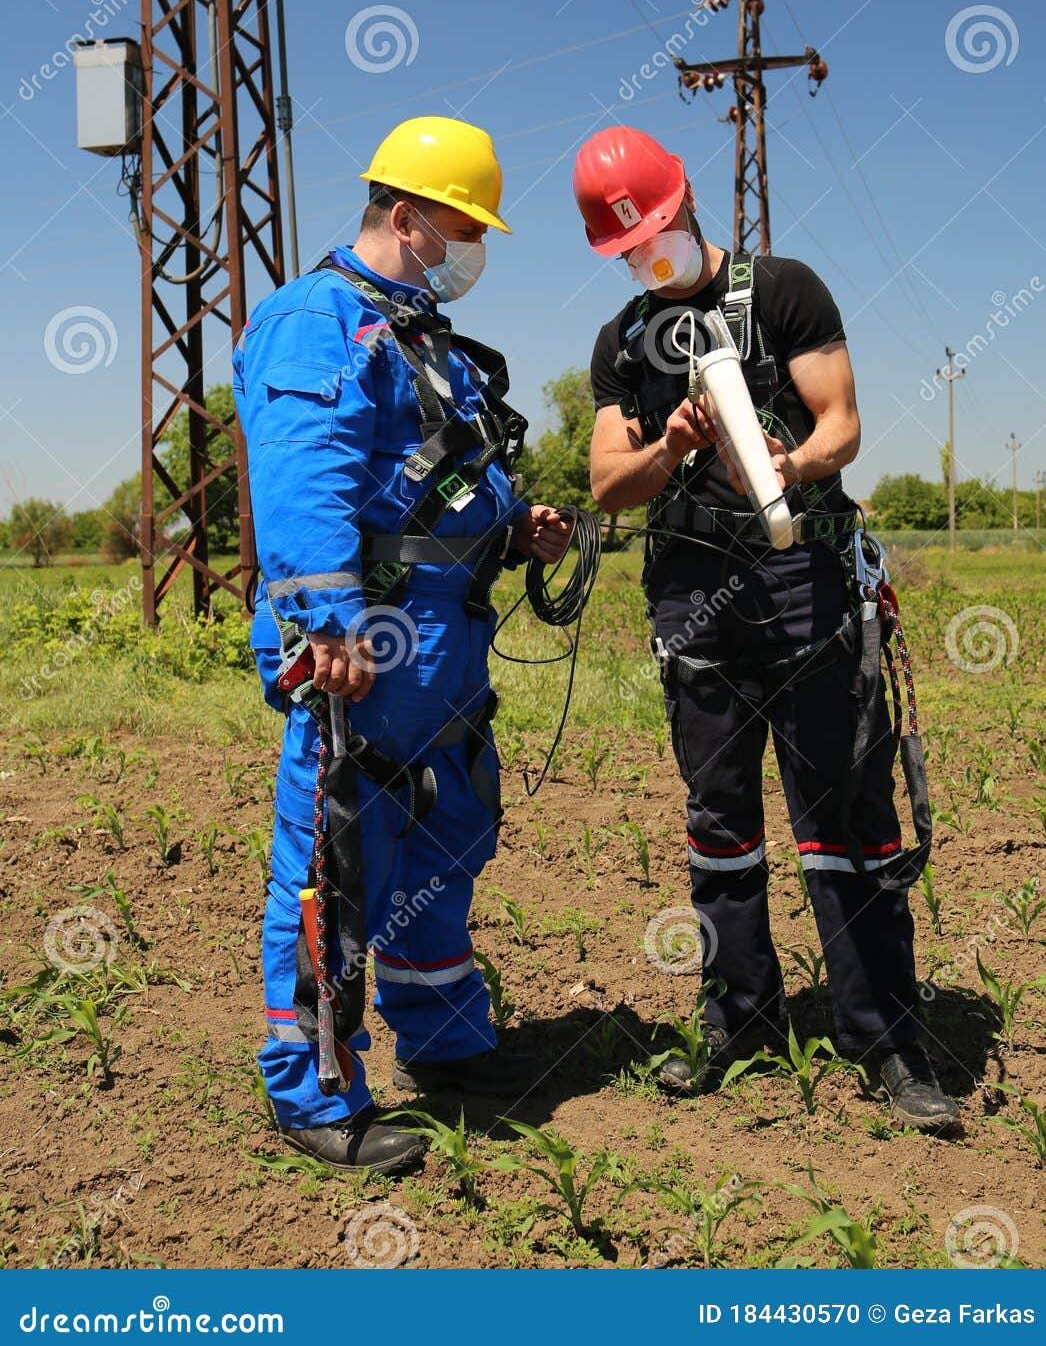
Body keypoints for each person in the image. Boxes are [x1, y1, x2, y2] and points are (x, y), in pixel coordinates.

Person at [579, 124, 959, 1132]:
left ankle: (883, 1034)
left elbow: (841, 420)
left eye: (656, 231)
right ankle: (736, 1019)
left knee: (845, 819)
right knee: (719, 827)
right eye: (628, 247)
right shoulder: (622, 341)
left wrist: (786, 465)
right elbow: (607, 485)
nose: (646, 254)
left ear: (687, 201)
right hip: (692, 599)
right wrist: (667, 443)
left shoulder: (782, 290)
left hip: (804, 586)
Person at [234, 115, 572, 1172]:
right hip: (367, 644)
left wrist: (517, 530)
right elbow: (304, 475)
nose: (468, 245)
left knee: (447, 837)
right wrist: (326, 620)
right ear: (405, 214)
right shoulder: (315, 320)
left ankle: (445, 1037)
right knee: (336, 860)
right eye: (461, 224)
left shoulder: (418, 331)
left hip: (449, 644)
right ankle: (317, 1090)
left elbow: (433, 475)